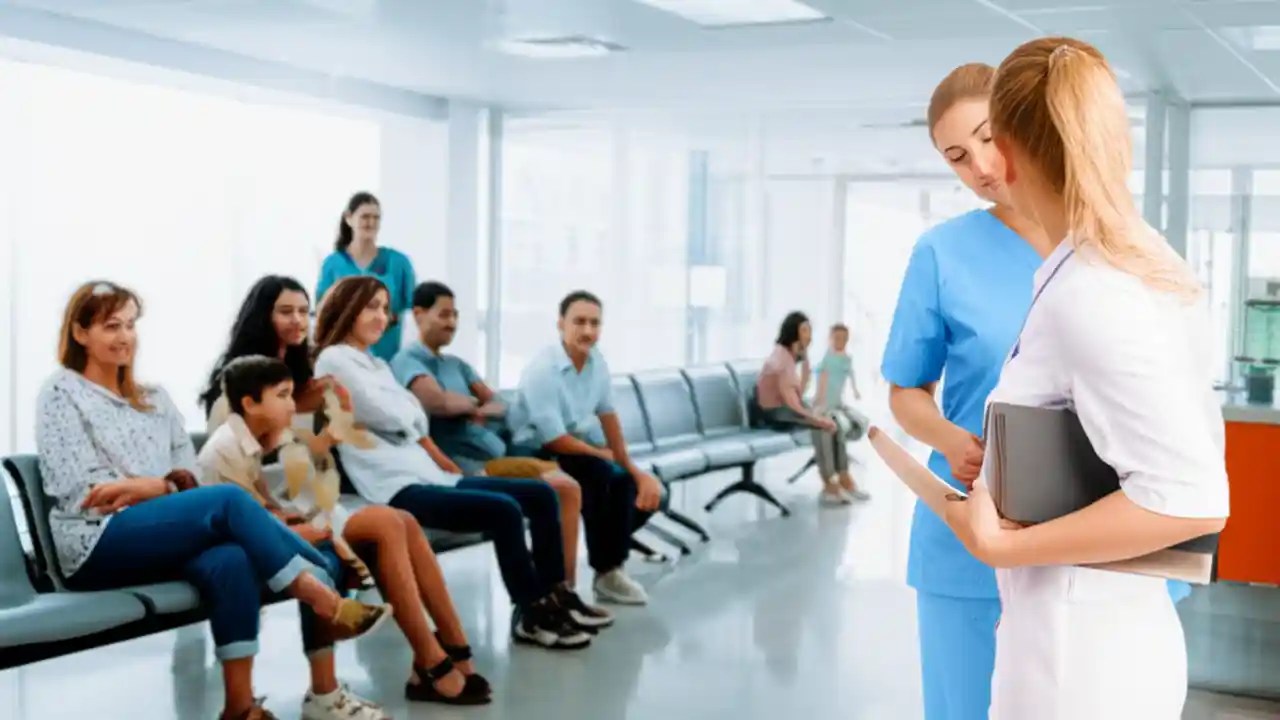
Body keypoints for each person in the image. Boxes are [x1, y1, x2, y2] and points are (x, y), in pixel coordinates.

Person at [943, 37, 1229, 719]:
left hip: (1078, 666)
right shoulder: (1129, 264)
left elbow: (1188, 500)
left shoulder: (1095, 292)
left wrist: (999, 544)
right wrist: (1012, 472)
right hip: (1097, 642)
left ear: (1007, 153)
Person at [36, 281, 389, 720]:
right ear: (79, 332)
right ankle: (324, 594)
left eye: (130, 324)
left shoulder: (154, 399)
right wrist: (163, 487)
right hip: (97, 540)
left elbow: (188, 471)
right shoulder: (61, 393)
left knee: (229, 560)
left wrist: (157, 488)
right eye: (111, 326)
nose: (125, 336)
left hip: (164, 531)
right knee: (227, 501)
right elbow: (83, 490)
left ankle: (240, 709)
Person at [201, 275, 497, 702]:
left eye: (304, 311)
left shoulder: (309, 374)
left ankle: (453, 652)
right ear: (261, 316)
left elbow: (323, 450)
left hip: (310, 500)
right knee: (390, 526)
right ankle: (433, 660)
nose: (297, 320)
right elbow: (231, 460)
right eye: (285, 311)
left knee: (402, 522)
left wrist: (328, 424)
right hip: (264, 510)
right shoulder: (238, 382)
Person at [881, 62, 1048, 720]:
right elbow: (904, 391)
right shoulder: (943, 253)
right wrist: (952, 440)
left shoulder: (1108, 246)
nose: (980, 164)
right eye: (957, 156)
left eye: (988, 136)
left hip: (1094, 535)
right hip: (971, 535)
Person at [313, 276, 605, 649]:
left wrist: (407, 417)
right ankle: (530, 614)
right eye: (371, 307)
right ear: (347, 307)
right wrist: (407, 416)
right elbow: (391, 413)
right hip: (397, 488)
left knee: (540, 495)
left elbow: (410, 414)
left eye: (385, 308)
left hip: (432, 475)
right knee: (504, 510)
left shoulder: (376, 364)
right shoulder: (333, 358)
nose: (381, 316)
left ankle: (553, 598)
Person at [390, 281, 612, 627]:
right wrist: (471, 405)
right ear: (418, 315)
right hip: (465, 465)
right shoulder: (408, 361)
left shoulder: (457, 365)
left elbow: (499, 404)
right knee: (565, 488)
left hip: (499, 453)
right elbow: (437, 402)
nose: (452, 323)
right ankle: (556, 594)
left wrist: (470, 405)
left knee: (570, 487)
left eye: (455, 316)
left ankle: (561, 592)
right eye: (443, 314)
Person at [507, 290, 662, 606]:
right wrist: (603, 456)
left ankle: (608, 572)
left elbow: (609, 417)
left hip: (576, 450)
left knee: (629, 484)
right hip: (534, 452)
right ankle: (583, 576)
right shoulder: (543, 370)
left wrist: (635, 469)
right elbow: (553, 438)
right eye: (579, 322)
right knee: (603, 476)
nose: (588, 331)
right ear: (561, 324)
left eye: (595, 323)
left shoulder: (597, 362)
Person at [756, 312, 868, 505]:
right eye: (805, 330)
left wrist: (805, 358)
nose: (810, 335)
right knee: (823, 425)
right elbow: (793, 405)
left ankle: (844, 478)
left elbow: (799, 390)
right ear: (793, 332)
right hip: (773, 413)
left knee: (831, 420)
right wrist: (817, 419)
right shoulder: (782, 361)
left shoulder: (790, 356)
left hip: (785, 407)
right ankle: (829, 487)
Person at [316, 192, 416, 361]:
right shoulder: (332, 264)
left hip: (388, 354)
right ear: (349, 218)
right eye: (365, 217)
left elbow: (414, 309)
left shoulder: (399, 262)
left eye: (376, 218)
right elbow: (323, 309)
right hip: (345, 353)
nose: (371, 222)